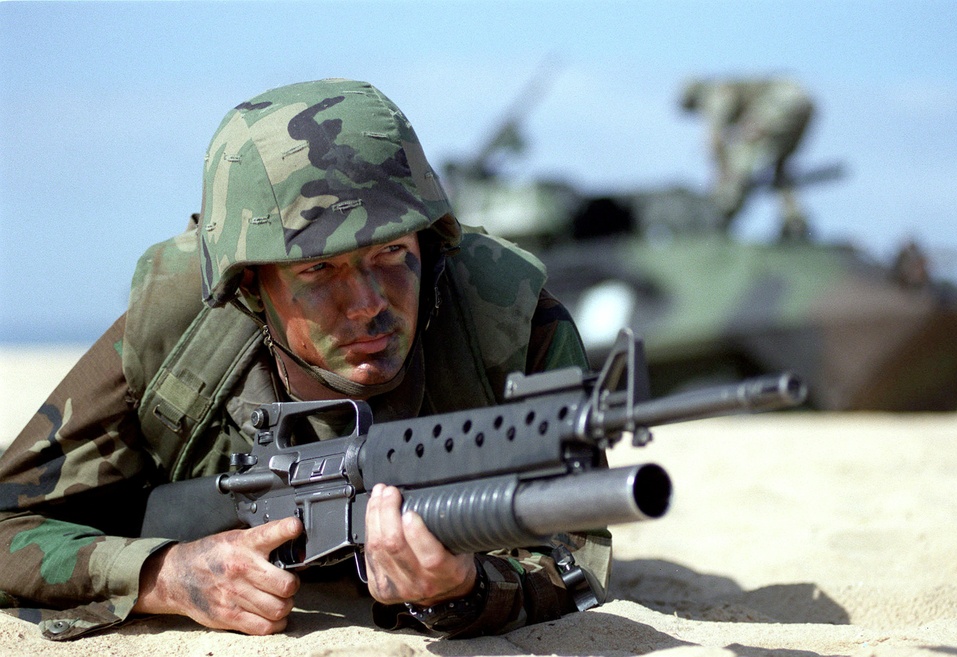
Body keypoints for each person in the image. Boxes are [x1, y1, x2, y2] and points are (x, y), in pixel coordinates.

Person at [0, 79, 611, 641]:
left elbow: (576, 551)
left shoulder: (504, 318)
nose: (368, 304)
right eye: (318, 269)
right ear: (250, 286)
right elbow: (8, 526)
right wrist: (167, 573)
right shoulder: (174, 333)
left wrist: (465, 591)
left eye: (392, 253)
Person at [680, 77, 814, 239]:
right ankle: (794, 219)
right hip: (802, 103)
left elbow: (715, 141)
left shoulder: (716, 94)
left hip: (781, 102)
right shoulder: (732, 89)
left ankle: (723, 209)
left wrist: (722, 176)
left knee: (743, 149)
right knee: (780, 165)